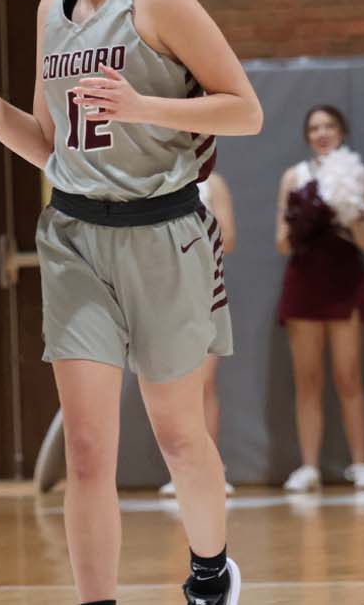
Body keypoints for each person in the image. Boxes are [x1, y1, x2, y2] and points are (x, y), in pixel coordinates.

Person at [0, 0, 261, 605]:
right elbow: (48, 143)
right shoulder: (50, 9)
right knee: (86, 447)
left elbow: (246, 109)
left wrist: (147, 107)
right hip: (74, 236)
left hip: (163, 232)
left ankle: (210, 572)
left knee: (177, 433)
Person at [274, 106, 364, 492]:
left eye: (329, 126)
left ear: (342, 131)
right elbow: (281, 241)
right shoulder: (295, 176)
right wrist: (308, 218)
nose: (322, 133)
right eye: (315, 127)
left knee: (348, 375)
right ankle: (309, 466)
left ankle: (360, 463)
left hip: (345, 278)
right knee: (307, 379)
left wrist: (348, 213)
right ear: (307, 136)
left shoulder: (360, 174)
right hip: (305, 279)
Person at [161, 171, 238, 497]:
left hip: (203, 290)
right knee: (168, 384)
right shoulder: (153, 175)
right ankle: (179, 470)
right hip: (160, 294)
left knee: (203, 382)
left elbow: (229, 239)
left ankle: (210, 469)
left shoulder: (213, 183)